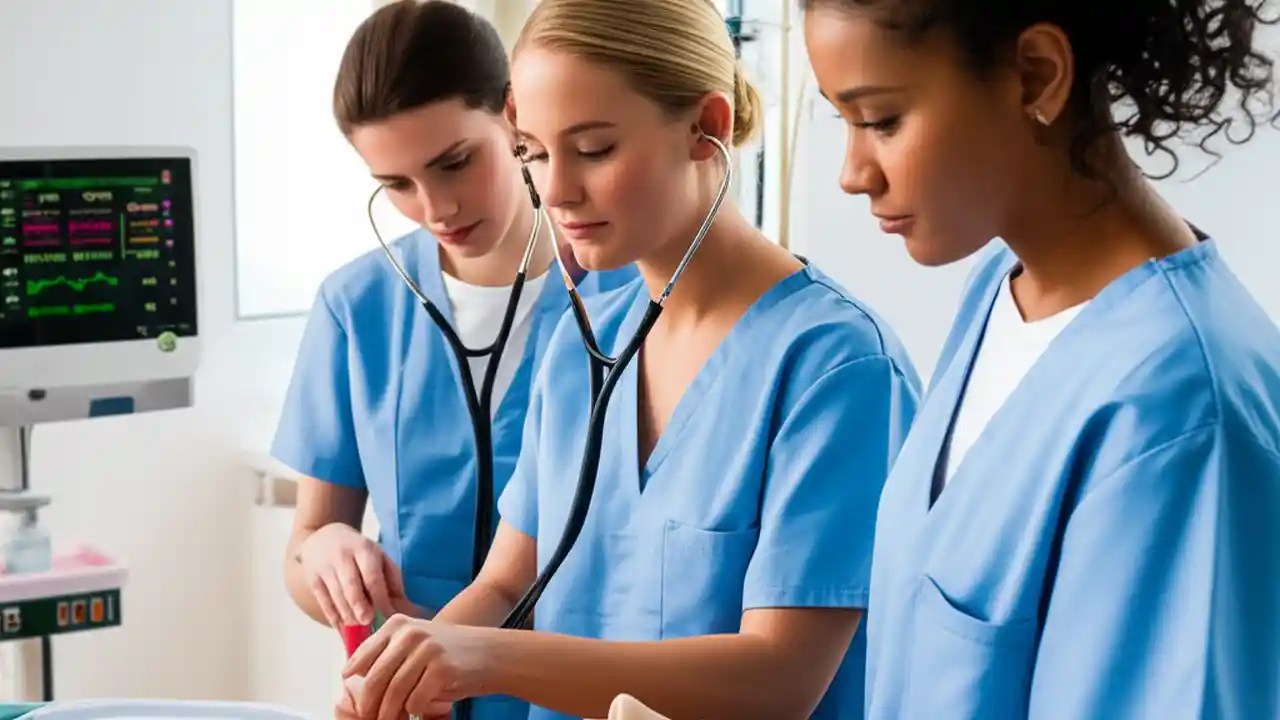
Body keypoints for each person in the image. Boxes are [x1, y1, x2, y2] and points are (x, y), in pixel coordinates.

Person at [337, 1, 922, 719]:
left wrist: (483, 659)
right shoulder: (582, 346)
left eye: (593, 149)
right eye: (534, 153)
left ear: (706, 128)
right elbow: (504, 585)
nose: (555, 191)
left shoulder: (838, 369)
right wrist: (397, 675)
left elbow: (779, 677)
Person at [803, 1, 1280, 717]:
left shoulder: (1180, 413)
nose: (853, 173)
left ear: (1035, 76)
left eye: (881, 120)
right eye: (843, 119)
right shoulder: (998, 291)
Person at [271, 3, 633, 719]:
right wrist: (329, 556)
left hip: (579, 699)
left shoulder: (627, 295)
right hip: (413, 700)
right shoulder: (357, 305)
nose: (435, 208)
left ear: (513, 117)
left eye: (455, 163)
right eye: (396, 184)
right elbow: (304, 549)